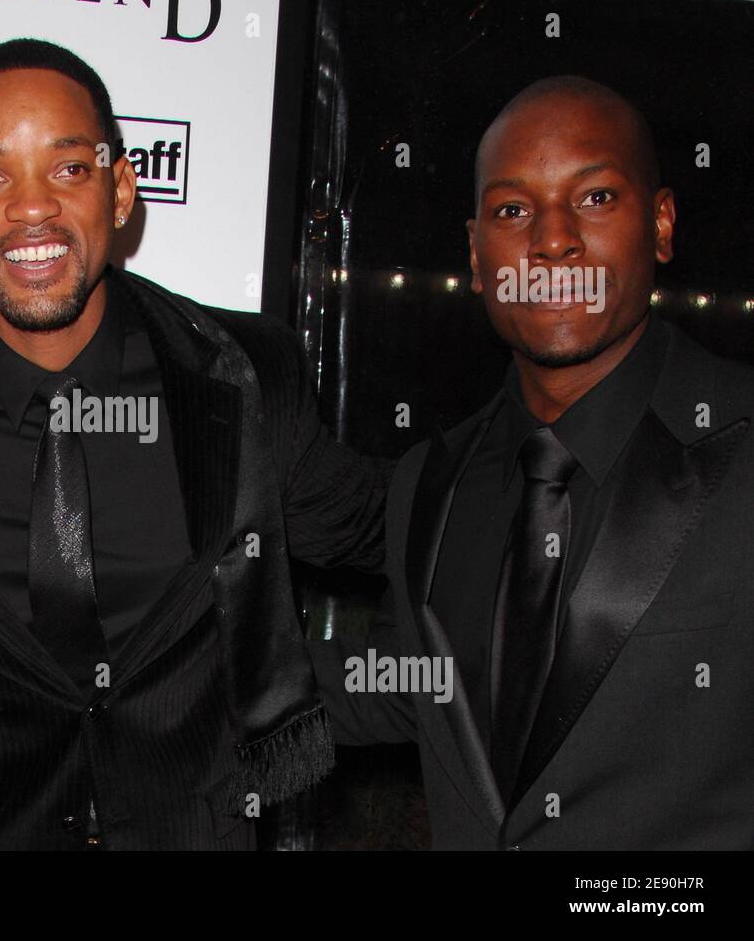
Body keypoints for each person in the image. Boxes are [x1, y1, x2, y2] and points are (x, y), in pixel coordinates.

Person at [0, 39, 388, 850]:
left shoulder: (246, 378)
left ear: (120, 190)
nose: (32, 207)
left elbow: (402, 534)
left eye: (69, 169)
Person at [316, 76, 754, 849]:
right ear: (478, 255)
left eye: (594, 198)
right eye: (513, 210)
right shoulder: (429, 484)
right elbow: (414, 686)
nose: (551, 241)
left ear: (660, 224)